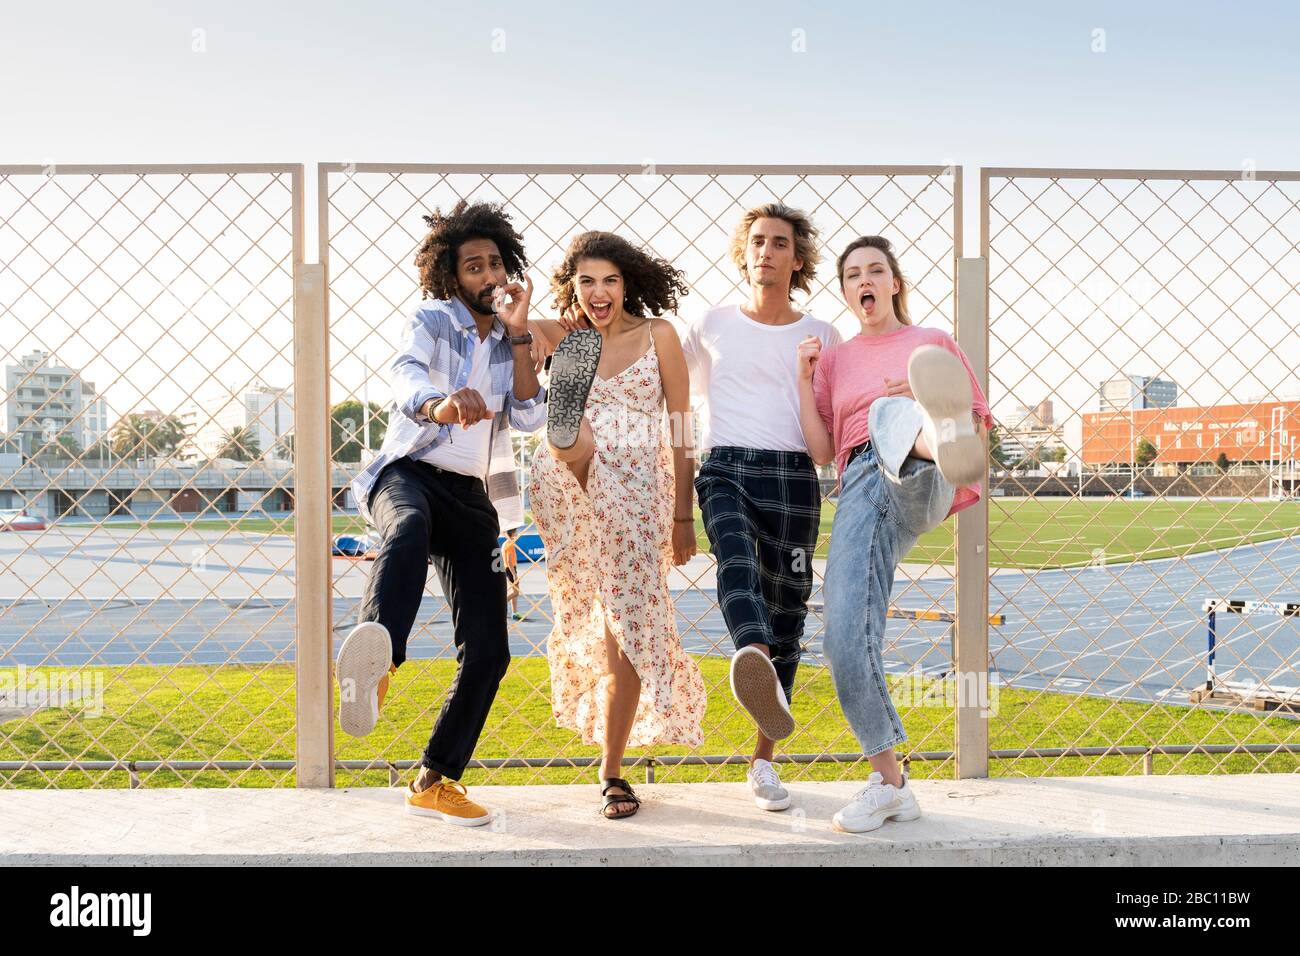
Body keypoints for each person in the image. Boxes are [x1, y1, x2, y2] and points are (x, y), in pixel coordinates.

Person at [337, 199, 549, 827]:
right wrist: (437, 405)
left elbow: (533, 416)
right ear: (452, 277)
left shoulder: (518, 338)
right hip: (408, 474)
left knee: (490, 651)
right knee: (405, 531)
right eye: (473, 266)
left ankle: (435, 779)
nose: (487, 274)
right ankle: (377, 663)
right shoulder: (433, 319)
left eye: (495, 263)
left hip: (471, 495)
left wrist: (517, 334)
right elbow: (404, 373)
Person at [797, 234, 993, 833]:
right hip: (862, 484)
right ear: (848, 292)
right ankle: (893, 782)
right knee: (843, 638)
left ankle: (933, 435)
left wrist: (927, 413)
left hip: (929, 475)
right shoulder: (835, 358)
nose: (866, 280)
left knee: (894, 410)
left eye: (876, 270)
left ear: (894, 282)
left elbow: (982, 435)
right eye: (853, 274)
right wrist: (803, 380)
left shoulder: (930, 344)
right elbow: (824, 449)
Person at [528, 231, 707, 819]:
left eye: (609, 280)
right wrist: (516, 322)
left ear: (627, 283)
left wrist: (684, 515)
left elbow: (681, 425)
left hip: (637, 493)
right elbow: (520, 351)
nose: (598, 292)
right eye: (586, 281)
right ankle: (567, 438)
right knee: (568, 433)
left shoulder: (658, 335)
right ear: (572, 287)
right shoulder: (567, 335)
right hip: (575, 496)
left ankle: (611, 770)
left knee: (624, 631)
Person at [682, 203, 843, 811]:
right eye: (757, 241)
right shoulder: (711, 325)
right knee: (737, 565)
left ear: (797, 259)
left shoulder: (823, 335)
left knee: (790, 616)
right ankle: (751, 653)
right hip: (725, 465)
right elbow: (678, 390)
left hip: (795, 473)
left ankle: (763, 763)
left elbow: (829, 422)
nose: (766, 251)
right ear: (742, 252)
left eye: (780, 243)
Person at [503, 527, 524, 620]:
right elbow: (509, 561)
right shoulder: (510, 545)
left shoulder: (505, 543)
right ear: (512, 534)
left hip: (507, 569)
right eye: (516, 532)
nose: (517, 534)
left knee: (513, 592)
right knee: (515, 592)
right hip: (510, 569)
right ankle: (499, 605)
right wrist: (514, 575)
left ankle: (514, 612)